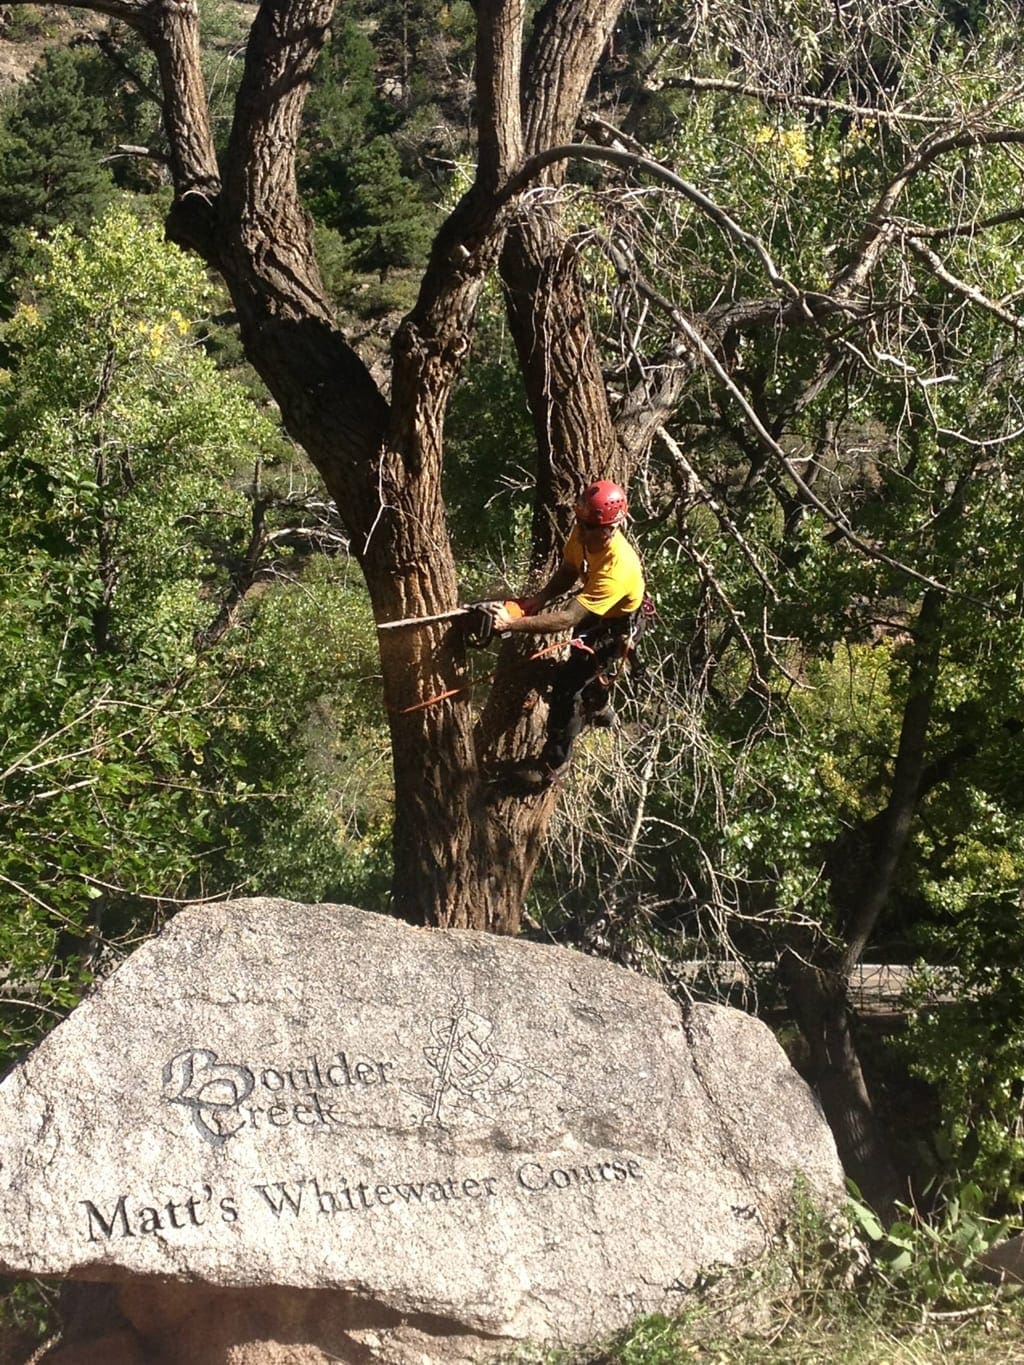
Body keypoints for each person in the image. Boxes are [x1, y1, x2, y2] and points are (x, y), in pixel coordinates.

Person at [492, 479, 646, 790]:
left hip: (616, 625)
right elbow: (568, 570)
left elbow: (568, 618)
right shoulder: (582, 531)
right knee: (584, 673)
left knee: (567, 687)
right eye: (582, 523)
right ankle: (599, 704)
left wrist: (511, 624)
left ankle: (554, 765)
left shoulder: (619, 567)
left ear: (612, 527)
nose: (582, 531)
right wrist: (540, 599)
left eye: (590, 527)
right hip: (594, 614)